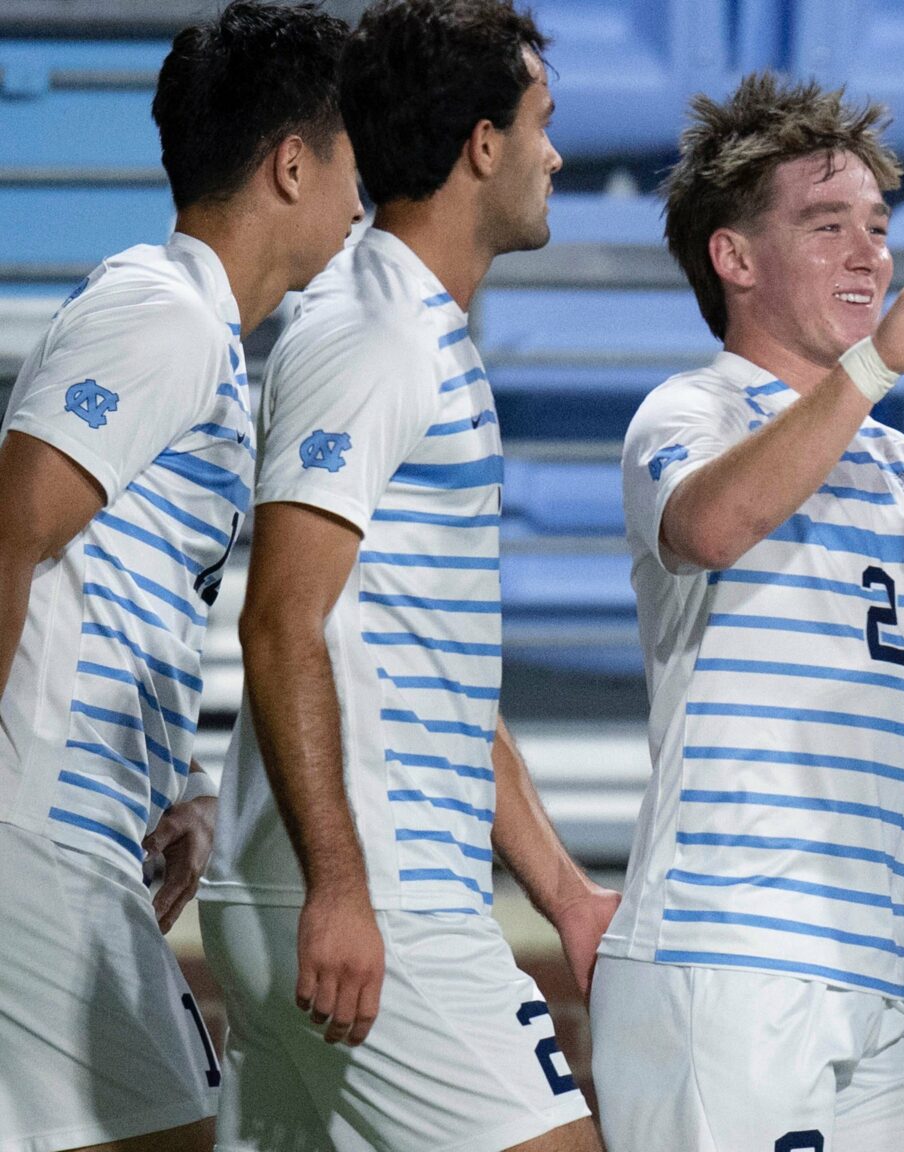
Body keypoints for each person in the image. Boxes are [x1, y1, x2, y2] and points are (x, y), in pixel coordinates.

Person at [587, 72, 904, 1151]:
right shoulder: (690, 406)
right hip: (722, 962)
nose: (868, 254)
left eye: (878, 226)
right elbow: (708, 528)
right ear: (733, 258)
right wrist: (872, 365)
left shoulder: (897, 464)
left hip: (868, 969)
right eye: (825, 224)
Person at [199, 3, 611, 1149]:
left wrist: (566, 895)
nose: (555, 155)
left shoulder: (418, 334)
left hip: (341, 888)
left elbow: (429, 683)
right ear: (482, 145)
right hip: (371, 898)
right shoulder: (371, 332)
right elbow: (280, 623)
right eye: (542, 124)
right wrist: (340, 887)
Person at [0, 4, 357, 1148]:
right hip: (37, 831)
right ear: (292, 166)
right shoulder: (166, 318)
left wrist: (180, 789)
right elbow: (11, 530)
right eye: (357, 159)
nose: (366, 196)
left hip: (80, 829)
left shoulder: (197, 335)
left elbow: (110, 581)